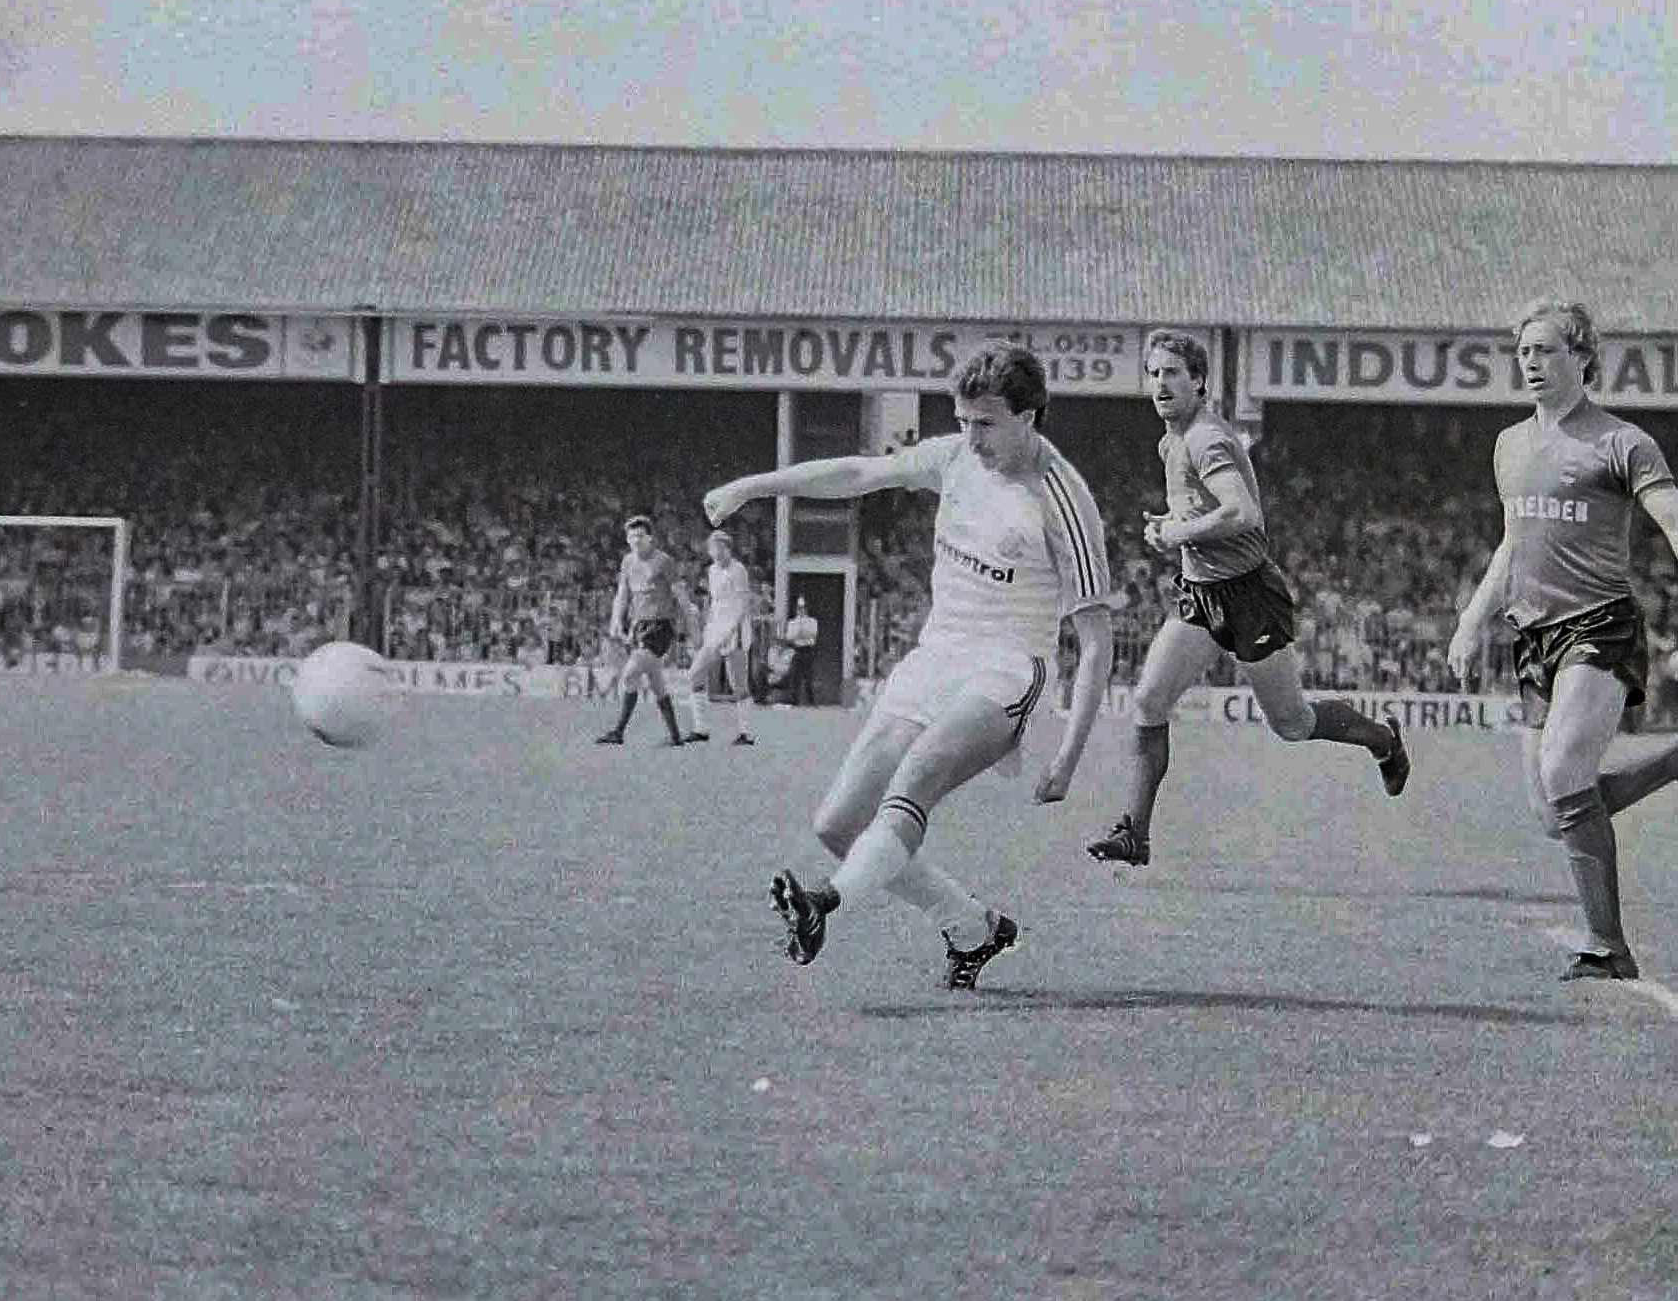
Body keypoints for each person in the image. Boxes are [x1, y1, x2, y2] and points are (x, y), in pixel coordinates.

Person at [703, 340, 1114, 989]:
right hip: (936, 657)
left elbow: (1096, 640)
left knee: (916, 775)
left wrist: (1067, 754)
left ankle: (823, 905)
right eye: (963, 421)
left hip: (1008, 667)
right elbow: (860, 474)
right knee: (838, 823)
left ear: (1028, 417)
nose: (971, 437)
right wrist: (755, 487)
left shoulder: (1062, 498)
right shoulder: (953, 459)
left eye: (986, 423)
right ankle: (972, 926)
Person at [1087, 329, 1408, 869]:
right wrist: (1173, 525)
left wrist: (1178, 535)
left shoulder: (1205, 439)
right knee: (1148, 703)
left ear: (1199, 382)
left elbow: (1243, 512)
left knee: (1293, 724)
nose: (1160, 383)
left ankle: (1383, 739)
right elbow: (1207, 512)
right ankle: (1134, 835)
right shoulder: (1172, 440)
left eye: (1172, 373)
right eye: (1154, 373)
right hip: (1200, 594)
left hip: (1248, 597)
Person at [1447, 299, 1678, 982]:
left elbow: (1670, 516)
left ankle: (1608, 945)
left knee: (1563, 773)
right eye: (1523, 353)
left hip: (1600, 624)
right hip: (1533, 636)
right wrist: (1470, 618)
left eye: (1545, 350)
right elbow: (1513, 543)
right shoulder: (1510, 444)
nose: (1531, 363)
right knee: (1554, 810)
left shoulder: (1622, 442)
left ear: (1583, 356)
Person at [595, 515, 693, 746]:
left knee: (630, 674)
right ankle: (675, 736)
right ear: (627, 539)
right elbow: (622, 594)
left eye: (640, 535)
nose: (636, 540)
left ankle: (618, 731)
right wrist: (616, 620)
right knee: (655, 679)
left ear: (650, 538)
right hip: (639, 625)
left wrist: (691, 624)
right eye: (632, 536)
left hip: (660, 625)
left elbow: (680, 594)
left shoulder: (664, 561)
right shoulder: (627, 562)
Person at [684, 528, 757, 745]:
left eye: (716, 548)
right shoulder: (712, 571)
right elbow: (714, 603)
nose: (713, 553)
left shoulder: (738, 570)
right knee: (694, 674)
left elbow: (743, 604)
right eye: (711, 549)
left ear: (726, 549)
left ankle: (747, 733)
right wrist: (708, 628)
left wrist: (731, 631)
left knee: (738, 684)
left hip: (736, 630)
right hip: (716, 629)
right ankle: (701, 729)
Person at [782, 596, 819, 705]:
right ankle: (794, 700)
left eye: (803, 607)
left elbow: (813, 633)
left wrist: (800, 632)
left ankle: (811, 701)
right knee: (795, 676)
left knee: (809, 676)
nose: (801, 610)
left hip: (808, 650)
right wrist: (800, 630)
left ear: (806, 609)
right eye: (799, 608)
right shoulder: (792, 622)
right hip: (797, 650)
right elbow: (789, 637)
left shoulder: (813, 621)